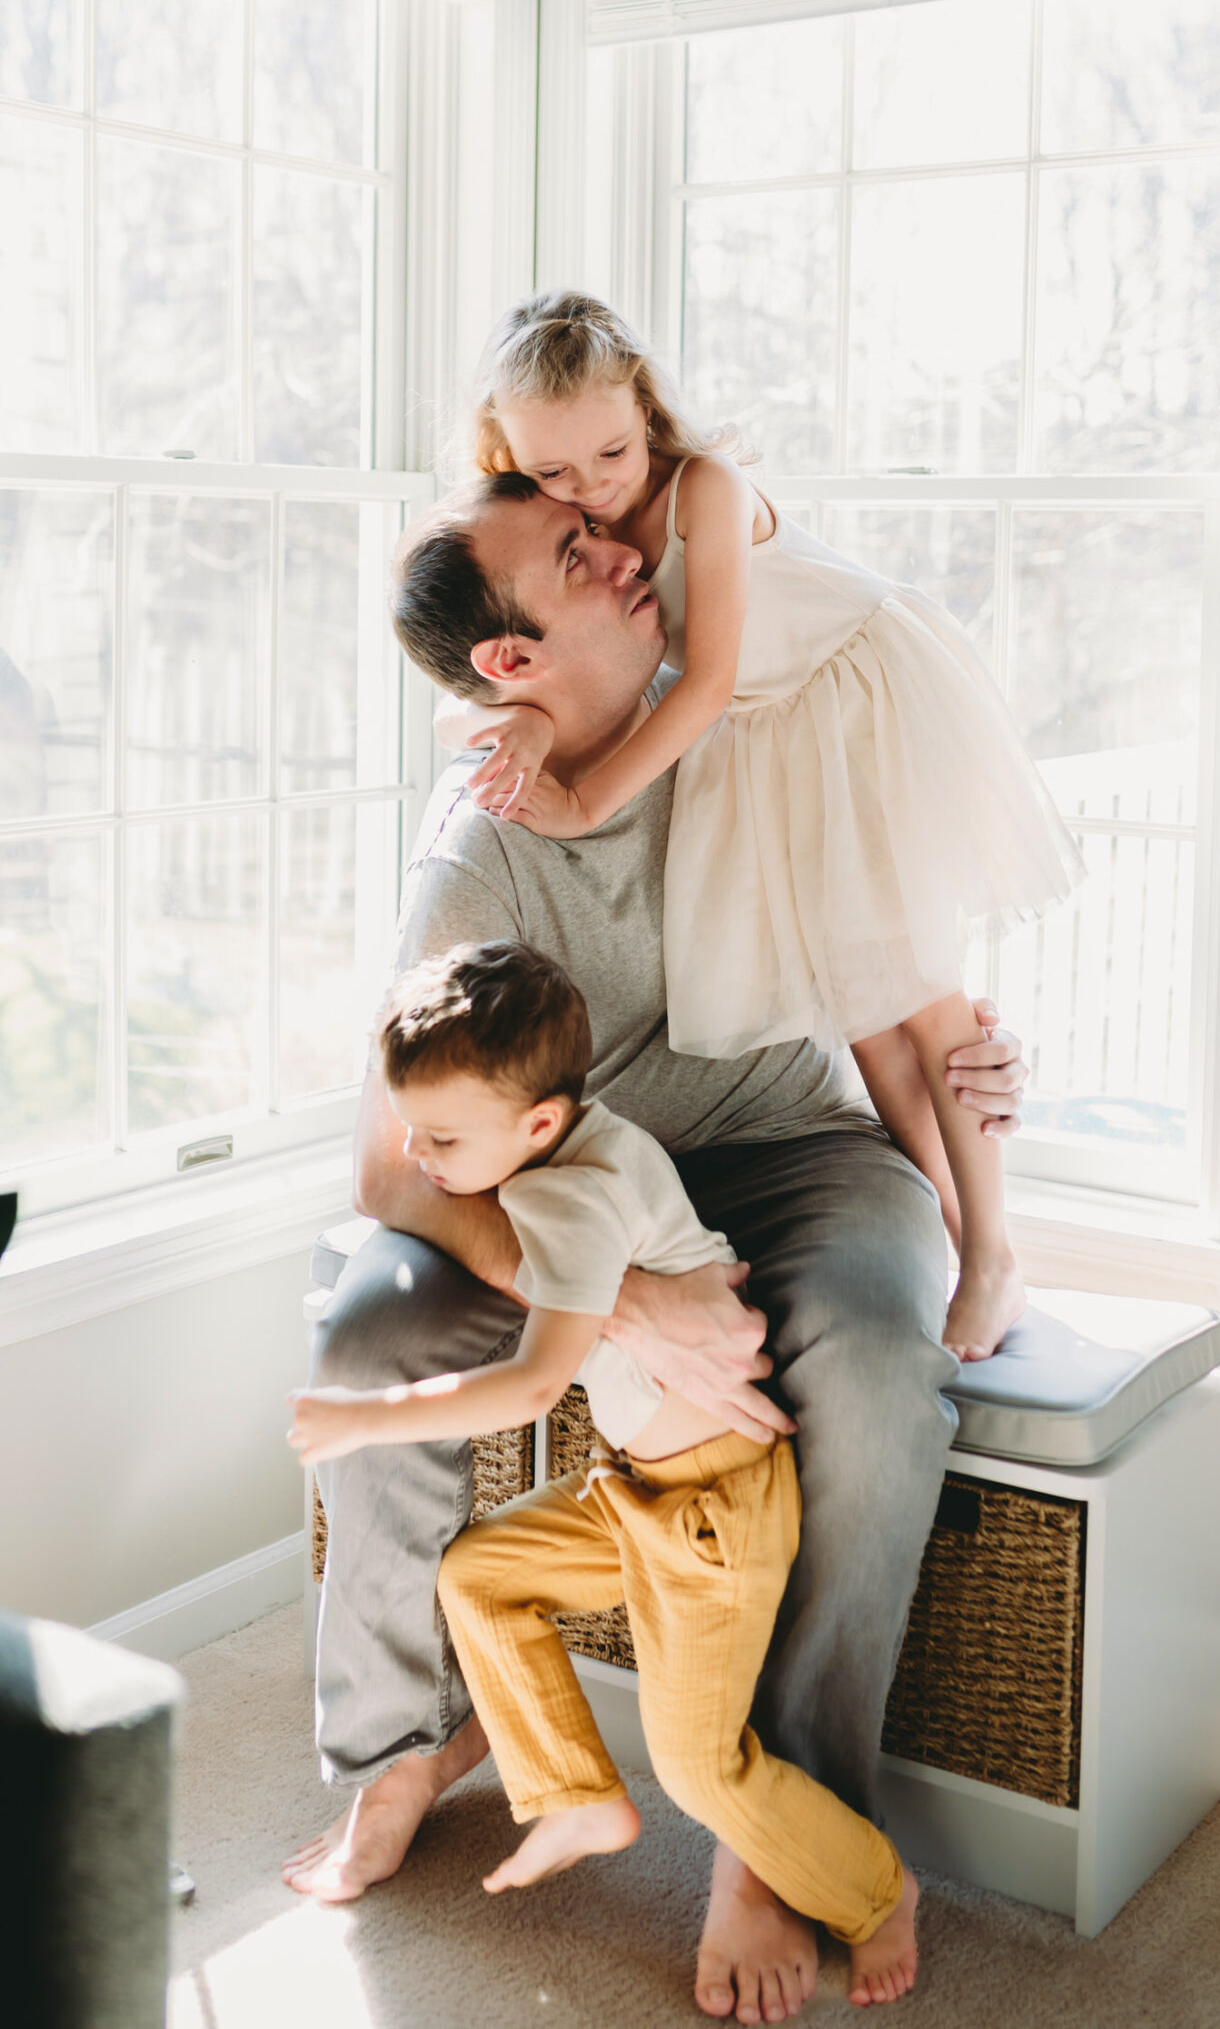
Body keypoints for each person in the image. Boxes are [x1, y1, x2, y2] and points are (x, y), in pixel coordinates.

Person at [283, 469, 1030, 2028]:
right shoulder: (474, 848)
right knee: (367, 1328)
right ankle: (402, 1741)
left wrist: (974, 1086)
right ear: (508, 662)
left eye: (599, 524)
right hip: (585, 1181)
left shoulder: (746, 720)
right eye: (571, 556)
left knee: (879, 1366)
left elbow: (897, 971)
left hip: (796, 1147)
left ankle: (774, 1832)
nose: (621, 552)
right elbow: (388, 1166)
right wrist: (621, 1305)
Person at [446, 290, 1082, 1362]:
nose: (592, 488)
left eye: (608, 451)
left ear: (643, 406)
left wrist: (586, 797)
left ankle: (996, 1251)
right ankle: (953, 1223)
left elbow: (708, 682)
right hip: (775, 741)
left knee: (924, 998)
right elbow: (510, 657)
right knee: (866, 1017)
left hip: (845, 706)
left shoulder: (705, 486)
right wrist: (510, 719)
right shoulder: (580, 526)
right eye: (553, 473)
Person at [289, 939, 920, 2009]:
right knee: (480, 1574)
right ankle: (576, 1793)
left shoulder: (575, 1199)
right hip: (636, 1490)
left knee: (701, 1765)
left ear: (536, 1123)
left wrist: (366, 1415)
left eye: (441, 1136)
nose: (417, 1153)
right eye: (410, 1125)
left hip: (709, 1516)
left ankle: (877, 1892)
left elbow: (534, 1387)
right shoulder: (562, 1147)